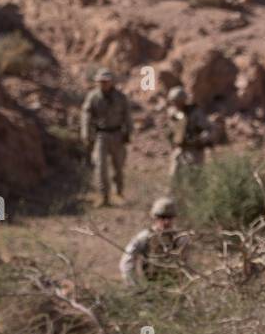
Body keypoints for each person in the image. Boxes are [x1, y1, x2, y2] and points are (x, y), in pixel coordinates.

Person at [80, 68, 132, 206]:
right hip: (101, 135)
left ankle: (118, 192)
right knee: (100, 167)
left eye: (106, 81)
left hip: (117, 134)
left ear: (111, 82)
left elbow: (127, 116)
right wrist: (86, 133)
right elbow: (86, 115)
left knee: (118, 166)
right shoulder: (93, 97)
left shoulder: (120, 97)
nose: (103, 84)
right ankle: (104, 196)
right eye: (101, 81)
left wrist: (128, 132)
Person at [119, 197, 186, 286]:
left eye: (169, 217)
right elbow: (126, 262)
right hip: (151, 286)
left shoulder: (180, 238)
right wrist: (134, 285)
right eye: (162, 217)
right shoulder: (144, 237)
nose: (166, 222)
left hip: (176, 287)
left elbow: (187, 265)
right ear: (155, 218)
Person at [166, 86, 213, 184]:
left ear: (182, 100)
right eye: (173, 101)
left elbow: (208, 129)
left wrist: (201, 139)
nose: (175, 104)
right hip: (179, 149)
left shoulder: (195, 113)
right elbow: (172, 130)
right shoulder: (174, 113)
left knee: (194, 178)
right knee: (173, 177)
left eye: (177, 101)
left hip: (194, 151)